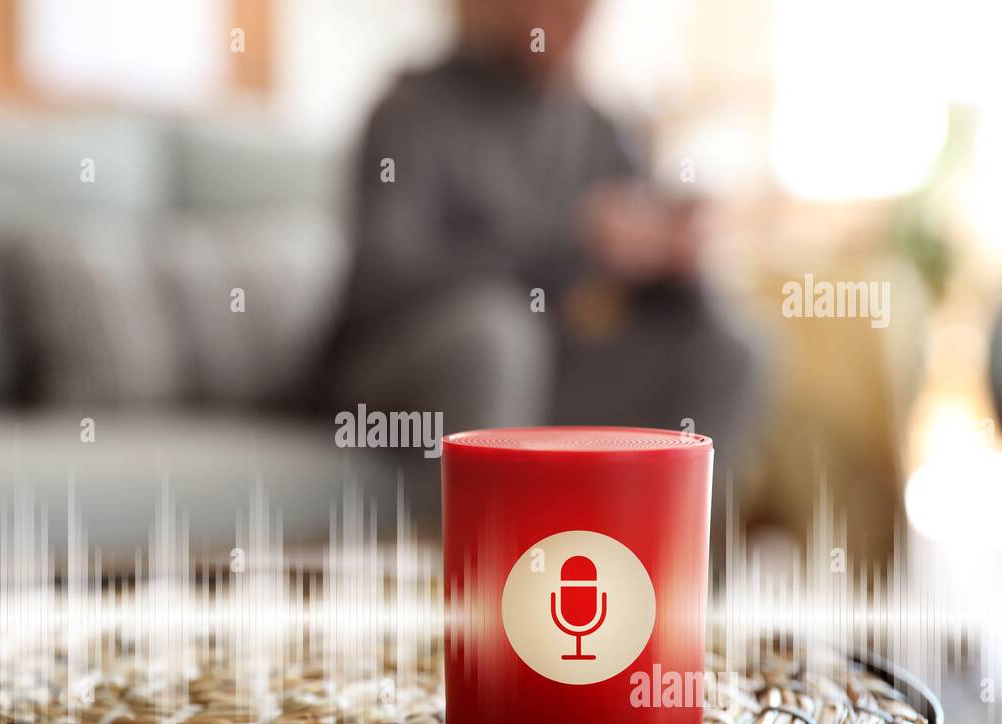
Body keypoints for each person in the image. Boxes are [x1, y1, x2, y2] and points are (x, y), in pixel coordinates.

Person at [323, 0, 766, 510]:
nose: (574, 22)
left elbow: (651, 291)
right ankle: (485, 573)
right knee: (497, 334)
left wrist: (679, 263)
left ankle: (650, 571)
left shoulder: (599, 129)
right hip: (406, 375)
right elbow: (381, 281)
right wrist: (571, 242)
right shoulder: (411, 113)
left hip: (551, 371)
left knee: (730, 348)